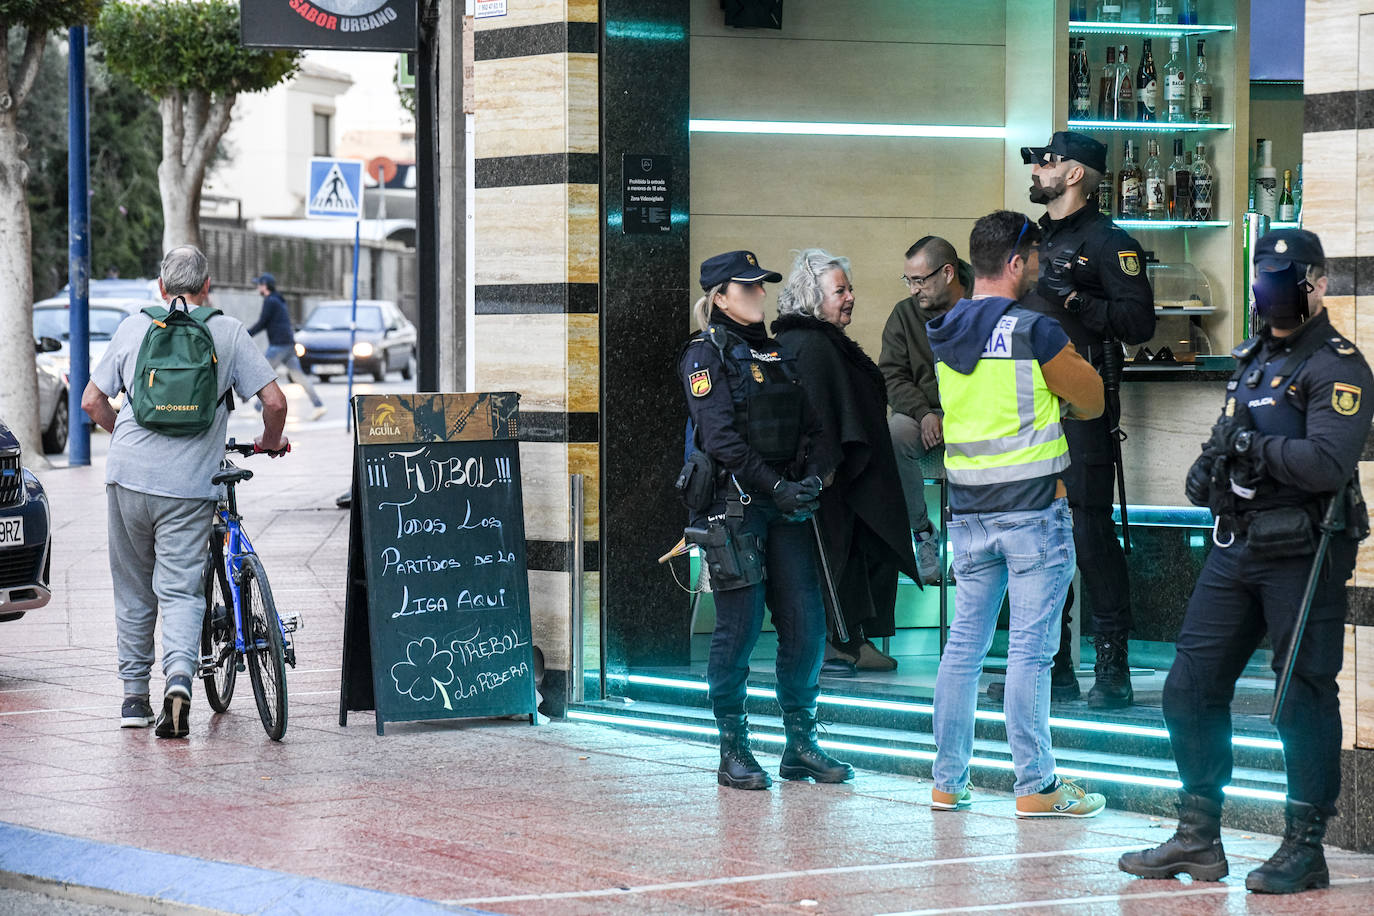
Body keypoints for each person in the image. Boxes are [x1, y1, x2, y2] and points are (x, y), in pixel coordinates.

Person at [1119, 229, 1372, 894]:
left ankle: (1305, 846)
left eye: (1283, 275)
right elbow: (1226, 435)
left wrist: (1253, 451)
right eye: (1262, 273)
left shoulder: (1338, 365)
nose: (1270, 287)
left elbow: (1326, 463)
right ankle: (1198, 836)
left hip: (1303, 551)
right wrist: (1208, 466)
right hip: (1236, 547)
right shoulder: (1255, 358)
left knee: (1299, 696)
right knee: (1189, 688)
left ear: (1316, 283)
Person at [925, 210, 1107, 817]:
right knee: (1030, 654)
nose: (1034, 268)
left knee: (963, 651)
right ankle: (1036, 786)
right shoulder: (1035, 330)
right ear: (1013, 263)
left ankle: (948, 783)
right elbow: (1091, 397)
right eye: (1031, 259)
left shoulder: (943, 329)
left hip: (969, 514)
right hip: (1034, 513)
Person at [81, 245, 289, 738]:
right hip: (190, 488)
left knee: (133, 588)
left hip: (127, 478)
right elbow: (275, 402)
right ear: (208, 286)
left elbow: (92, 401)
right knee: (179, 589)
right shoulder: (228, 331)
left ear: (160, 287)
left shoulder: (135, 327)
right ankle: (179, 677)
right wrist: (270, 442)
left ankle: (134, 698)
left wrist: (126, 438)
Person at [678, 249, 854, 790]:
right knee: (739, 628)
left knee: (806, 627)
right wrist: (775, 486)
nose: (759, 293)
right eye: (747, 286)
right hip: (738, 511)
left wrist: (813, 479)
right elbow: (722, 441)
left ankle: (801, 744)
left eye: (761, 285)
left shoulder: (778, 351)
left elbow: (818, 428)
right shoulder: (703, 356)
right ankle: (734, 747)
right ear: (720, 297)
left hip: (786, 508)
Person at [1021, 130, 1156, 708]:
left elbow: (1139, 323)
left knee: (1089, 532)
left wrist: (1075, 300)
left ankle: (1112, 669)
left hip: (1084, 405)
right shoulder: (1031, 239)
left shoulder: (1108, 243)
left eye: (1046, 164)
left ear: (1074, 174)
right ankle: (1053, 667)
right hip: (1030, 406)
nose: (1036, 172)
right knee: (1040, 533)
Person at [772, 249, 921, 675]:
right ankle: (833, 642)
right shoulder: (811, 345)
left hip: (839, 477)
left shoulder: (818, 341)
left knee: (852, 555)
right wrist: (824, 470)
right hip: (828, 481)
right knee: (831, 557)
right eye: (841, 290)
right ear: (812, 296)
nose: (851, 296)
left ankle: (851, 637)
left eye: (849, 288)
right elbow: (822, 416)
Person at [880, 236, 971, 586]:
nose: (914, 289)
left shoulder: (982, 303)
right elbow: (891, 374)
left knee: (981, 433)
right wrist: (923, 412)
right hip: (924, 412)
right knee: (895, 433)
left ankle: (967, 543)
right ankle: (923, 534)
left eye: (920, 280)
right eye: (909, 280)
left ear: (948, 273)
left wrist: (956, 415)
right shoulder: (904, 314)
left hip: (973, 410)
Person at [249, 272, 327, 421]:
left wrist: (246, 334)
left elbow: (262, 322)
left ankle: (256, 408)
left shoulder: (270, 301)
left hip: (279, 345)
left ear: (264, 286)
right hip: (289, 344)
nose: (258, 287)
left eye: (259, 284)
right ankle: (319, 406)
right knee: (299, 376)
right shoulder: (278, 299)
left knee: (262, 374)